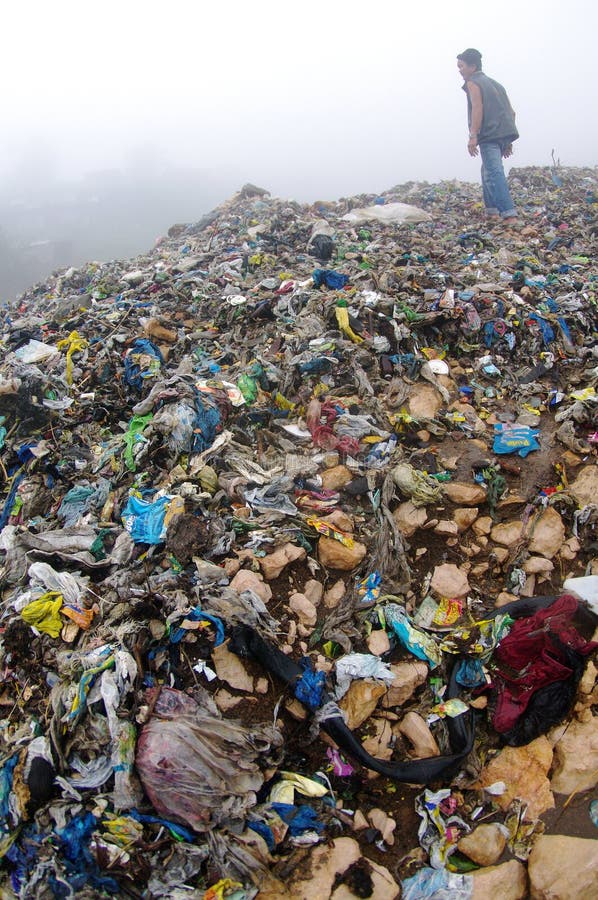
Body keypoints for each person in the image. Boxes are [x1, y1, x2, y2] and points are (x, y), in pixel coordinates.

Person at [457, 48, 519, 223]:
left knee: (494, 171)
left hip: (489, 135)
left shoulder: (473, 82)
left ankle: (509, 214)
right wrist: (508, 141)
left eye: (462, 66)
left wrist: (473, 136)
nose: (460, 70)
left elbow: (477, 108)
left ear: (472, 66)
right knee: (487, 170)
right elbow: (511, 113)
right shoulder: (496, 84)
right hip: (503, 134)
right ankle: (492, 211)